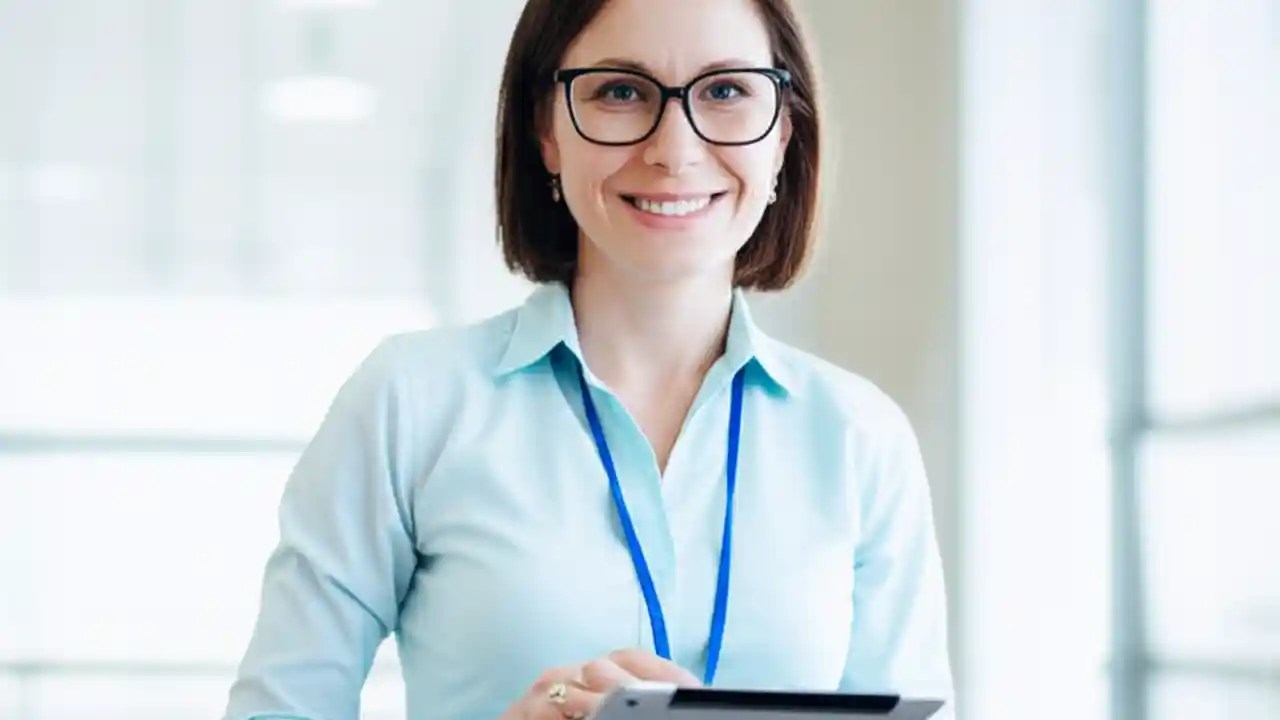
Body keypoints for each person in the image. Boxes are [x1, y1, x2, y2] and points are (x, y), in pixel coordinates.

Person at [224, 0, 954, 718]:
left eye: (727, 91)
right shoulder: (410, 403)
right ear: (547, 129)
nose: (675, 149)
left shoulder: (861, 438)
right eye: (621, 92)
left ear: (785, 134)